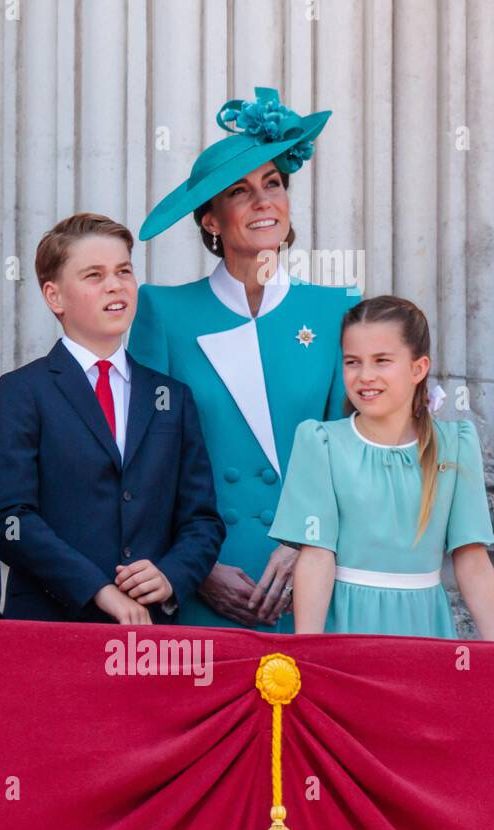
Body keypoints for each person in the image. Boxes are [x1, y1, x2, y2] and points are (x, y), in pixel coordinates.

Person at [129, 87, 358, 632]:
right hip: (202, 580)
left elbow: (351, 454)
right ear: (211, 220)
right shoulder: (162, 310)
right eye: (240, 191)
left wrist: (308, 543)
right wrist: (194, 566)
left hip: (309, 581)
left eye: (273, 184)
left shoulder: (336, 310)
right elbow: (145, 459)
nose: (263, 202)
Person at [0, 213, 223, 624]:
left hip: (151, 632)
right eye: (94, 275)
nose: (114, 284)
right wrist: (97, 588)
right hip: (52, 626)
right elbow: (9, 519)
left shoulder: (172, 397)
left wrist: (171, 575)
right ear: (54, 297)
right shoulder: (23, 390)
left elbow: (201, 519)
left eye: (123, 271)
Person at [270, 297, 494, 640]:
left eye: (382, 361)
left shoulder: (456, 443)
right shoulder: (321, 442)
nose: (365, 376)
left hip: (425, 629)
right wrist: (308, 652)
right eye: (353, 362)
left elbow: (471, 558)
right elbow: (316, 557)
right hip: (345, 629)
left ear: (418, 368)